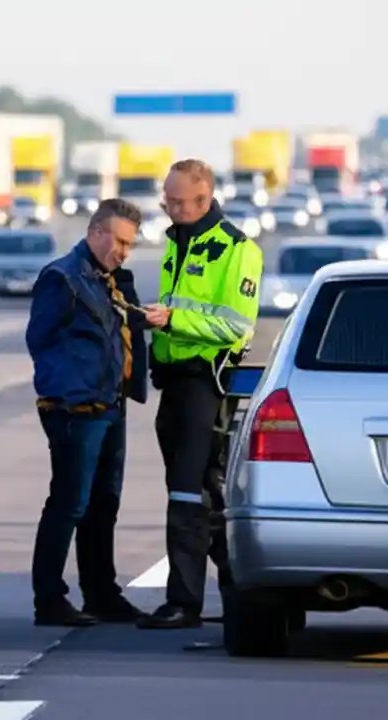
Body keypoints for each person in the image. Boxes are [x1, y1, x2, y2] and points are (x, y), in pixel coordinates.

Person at [136, 159, 264, 630]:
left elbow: (235, 326)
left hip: (203, 383)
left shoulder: (236, 249)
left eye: (176, 200)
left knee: (187, 493)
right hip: (172, 382)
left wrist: (173, 320)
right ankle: (240, 585)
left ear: (203, 199)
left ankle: (184, 601)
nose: (168, 207)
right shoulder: (176, 240)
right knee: (200, 490)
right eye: (165, 199)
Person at [25, 198, 149, 627]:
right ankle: (50, 599)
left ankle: (101, 593)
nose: (123, 251)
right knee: (69, 503)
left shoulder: (110, 280)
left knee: (104, 505)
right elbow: (39, 340)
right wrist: (70, 395)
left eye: (130, 245)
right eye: (118, 241)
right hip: (76, 409)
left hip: (110, 406)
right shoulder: (64, 277)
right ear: (95, 232)